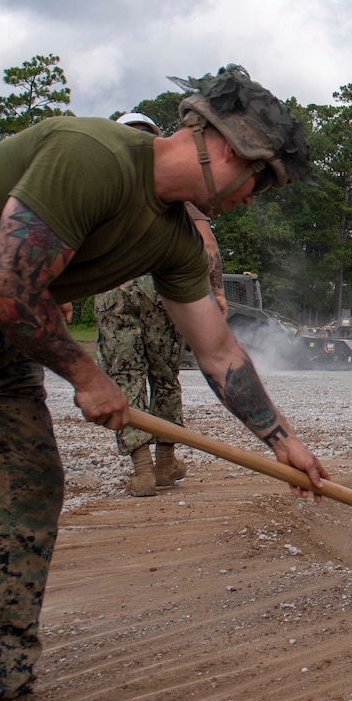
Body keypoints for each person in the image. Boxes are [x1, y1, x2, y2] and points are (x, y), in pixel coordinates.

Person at [0, 64, 329, 701]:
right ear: (230, 150)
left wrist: (281, 438)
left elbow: (219, 350)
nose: (252, 202)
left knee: (23, 494)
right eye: (260, 183)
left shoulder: (174, 238)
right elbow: (7, 283)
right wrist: (84, 371)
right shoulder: (94, 155)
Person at [94, 112, 226, 497]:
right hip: (159, 291)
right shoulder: (172, 187)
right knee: (165, 376)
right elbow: (207, 245)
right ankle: (167, 462)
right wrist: (215, 291)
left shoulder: (102, 184)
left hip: (112, 289)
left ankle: (142, 470)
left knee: (125, 375)